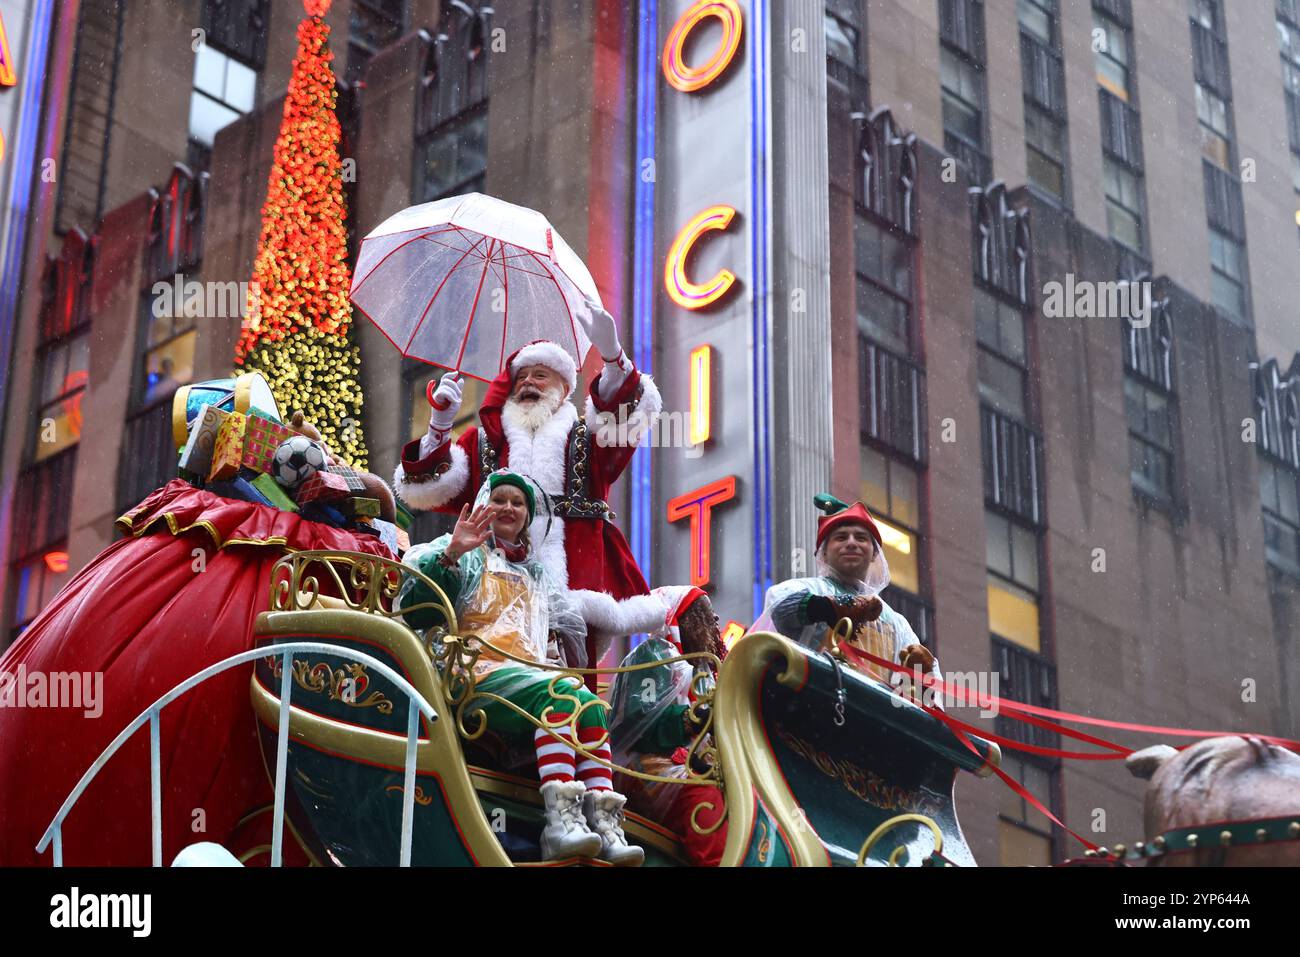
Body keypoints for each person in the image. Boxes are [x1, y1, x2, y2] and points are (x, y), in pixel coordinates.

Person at [393, 300, 665, 676]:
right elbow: (429, 488)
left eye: (540, 376)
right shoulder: (486, 440)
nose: (528, 384)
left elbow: (625, 417)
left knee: (569, 681)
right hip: (492, 582)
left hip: (574, 575)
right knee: (491, 670)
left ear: (564, 388)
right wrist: (440, 423)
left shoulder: (590, 437)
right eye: (521, 378)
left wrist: (613, 357)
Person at [396, 469, 644, 866]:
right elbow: (414, 608)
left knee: (592, 705)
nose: (508, 507)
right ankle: (559, 823)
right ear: (482, 505)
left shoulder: (536, 575)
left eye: (518, 502)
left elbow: (551, 637)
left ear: (528, 516)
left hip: (523, 677)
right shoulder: (459, 547)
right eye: (500, 499)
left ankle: (602, 822)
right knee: (561, 694)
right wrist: (451, 555)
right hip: (471, 675)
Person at [756, 494, 940, 702]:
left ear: (874, 554)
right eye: (841, 537)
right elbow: (781, 609)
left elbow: (925, 699)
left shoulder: (896, 622)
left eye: (861, 538)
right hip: (811, 705)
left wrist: (922, 675)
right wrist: (829, 607)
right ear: (823, 553)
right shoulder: (805, 588)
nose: (851, 543)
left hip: (873, 718)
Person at [608, 586, 729, 866]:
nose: (715, 620)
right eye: (704, 613)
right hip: (649, 768)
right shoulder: (654, 656)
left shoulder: (705, 672)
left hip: (695, 767)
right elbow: (638, 724)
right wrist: (693, 718)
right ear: (680, 619)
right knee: (706, 800)